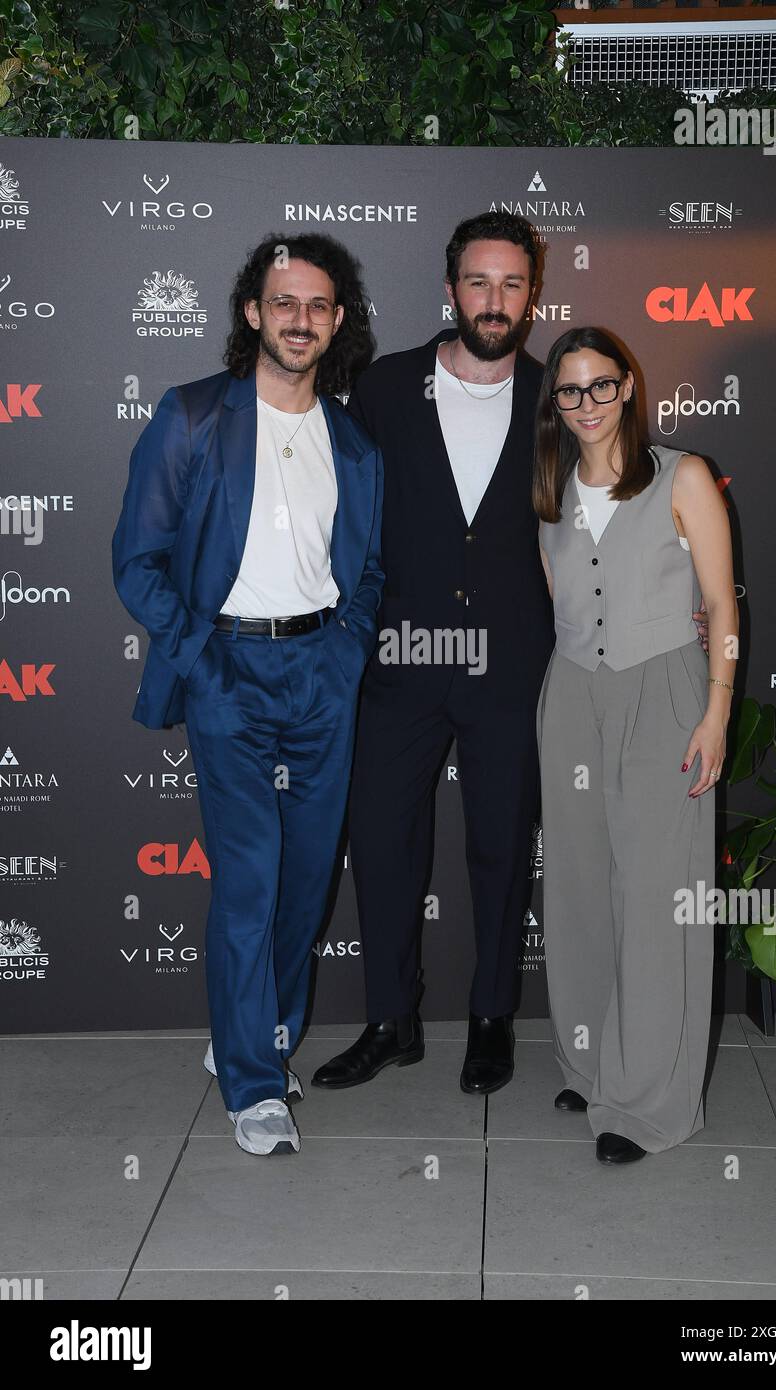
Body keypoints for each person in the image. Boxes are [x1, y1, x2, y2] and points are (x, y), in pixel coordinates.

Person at [112, 233, 384, 1156]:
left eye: (317, 305)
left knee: (307, 881)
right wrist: (200, 658)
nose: (299, 319)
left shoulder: (351, 442)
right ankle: (255, 1085)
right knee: (249, 879)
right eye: (283, 302)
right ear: (251, 312)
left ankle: (258, 1034)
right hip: (227, 670)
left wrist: (347, 647)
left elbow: (369, 566)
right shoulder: (192, 417)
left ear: (336, 321)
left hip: (322, 673)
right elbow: (136, 561)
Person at [312, 212, 555, 1095]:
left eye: (512, 284)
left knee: (501, 843)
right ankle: (390, 1020)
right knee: (381, 842)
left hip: (512, 664)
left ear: (533, 293)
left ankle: (492, 1016)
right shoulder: (383, 388)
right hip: (401, 661)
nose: (495, 302)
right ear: (450, 290)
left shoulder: (555, 395)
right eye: (479, 283)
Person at [534, 326, 737, 1163]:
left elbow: (723, 605)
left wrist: (717, 710)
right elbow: (565, 606)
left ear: (628, 385)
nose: (588, 405)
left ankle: (648, 1103)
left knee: (658, 898)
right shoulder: (547, 490)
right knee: (580, 888)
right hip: (574, 694)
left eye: (601, 386)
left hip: (666, 692)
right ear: (556, 403)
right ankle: (591, 1062)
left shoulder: (681, 476)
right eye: (570, 391)